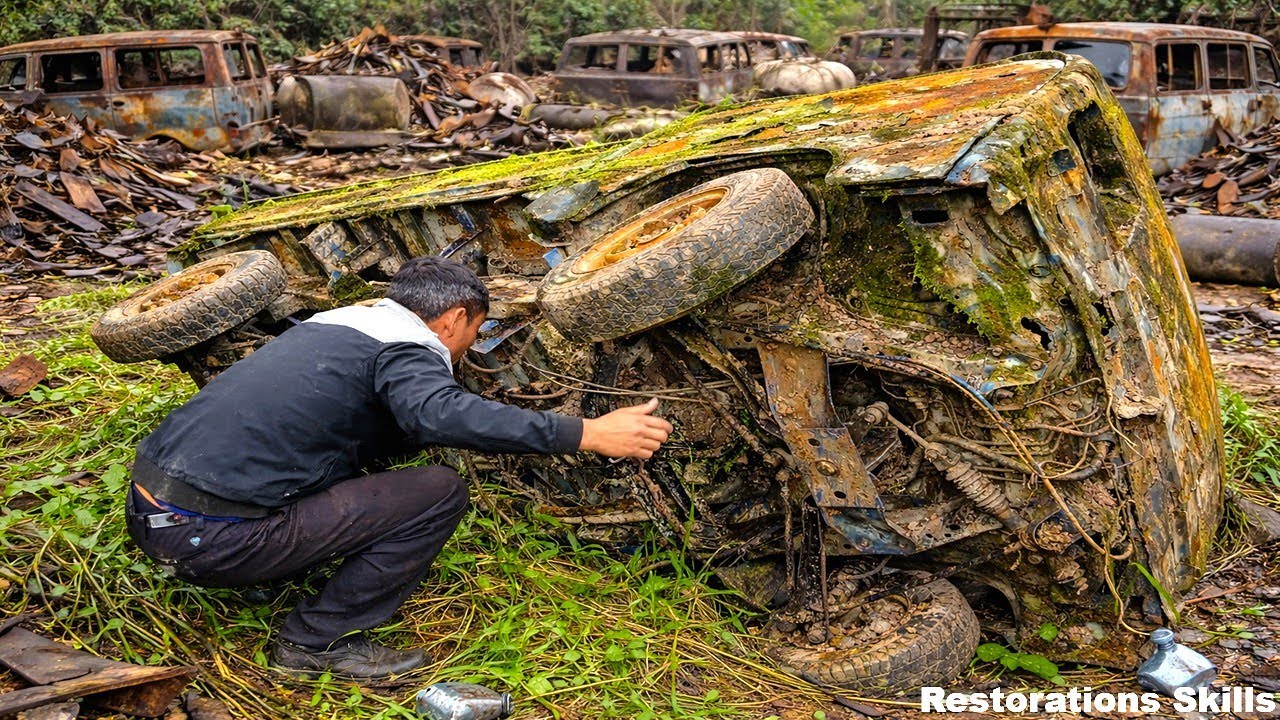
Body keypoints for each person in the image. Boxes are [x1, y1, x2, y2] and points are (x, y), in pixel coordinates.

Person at [125, 256, 672, 679]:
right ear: (455, 317)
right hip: (208, 539)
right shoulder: (406, 346)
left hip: (152, 505)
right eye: (475, 334)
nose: (469, 349)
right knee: (438, 489)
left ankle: (270, 574)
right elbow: (438, 414)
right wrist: (588, 433)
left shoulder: (333, 326)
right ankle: (315, 642)